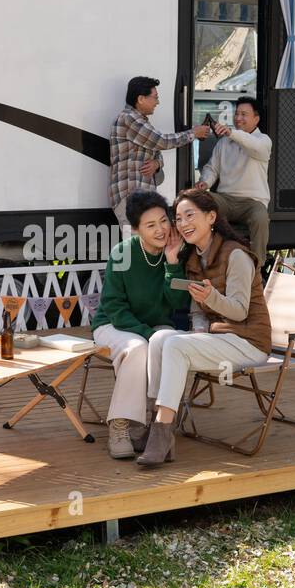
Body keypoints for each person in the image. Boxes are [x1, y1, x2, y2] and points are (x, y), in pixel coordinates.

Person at [139, 188, 272, 467]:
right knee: (160, 338)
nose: (183, 223)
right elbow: (198, 310)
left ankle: (163, 432)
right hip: (219, 339)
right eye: (178, 218)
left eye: (190, 215)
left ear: (211, 217)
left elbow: (239, 310)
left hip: (248, 342)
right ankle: (155, 423)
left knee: (175, 344)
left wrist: (211, 297)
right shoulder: (193, 258)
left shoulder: (236, 255)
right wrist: (199, 332)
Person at [90, 191, 192, 459]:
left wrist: (172, 264)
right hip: (113, 326)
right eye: (150, 225)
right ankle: (120, 426)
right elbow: (114, 307)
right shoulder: (123, 253)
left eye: (163, 221)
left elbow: (178, 301)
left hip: (156, 326)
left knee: (169, 344)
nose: (160, 229)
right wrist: (147, 334)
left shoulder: (178, 252)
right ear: (136, 230)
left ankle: (157, 425)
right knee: (138, 348)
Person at [109, 76, 210, 234]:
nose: (158, 102)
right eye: (155, 97)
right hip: (130, 199)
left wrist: (157, 164)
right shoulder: (129, 119)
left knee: (147, 251)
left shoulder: (140, 121)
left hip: (141, 200)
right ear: (141, 99)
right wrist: (193, 133)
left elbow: (156, 150)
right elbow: (161, 141)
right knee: (136, 250)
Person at [197, 96, 271, 266]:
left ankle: (258, 266)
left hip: (252, 202)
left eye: (244, 114)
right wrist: (205, 183)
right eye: (236, 114)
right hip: (225, 199)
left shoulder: (264, 141)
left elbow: (254, 147)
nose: (238, 118)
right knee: (199, 200)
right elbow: (211, 168)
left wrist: (231, 133)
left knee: (260, 217)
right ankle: (204, 258)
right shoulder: (224, 142)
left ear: (256, 119)